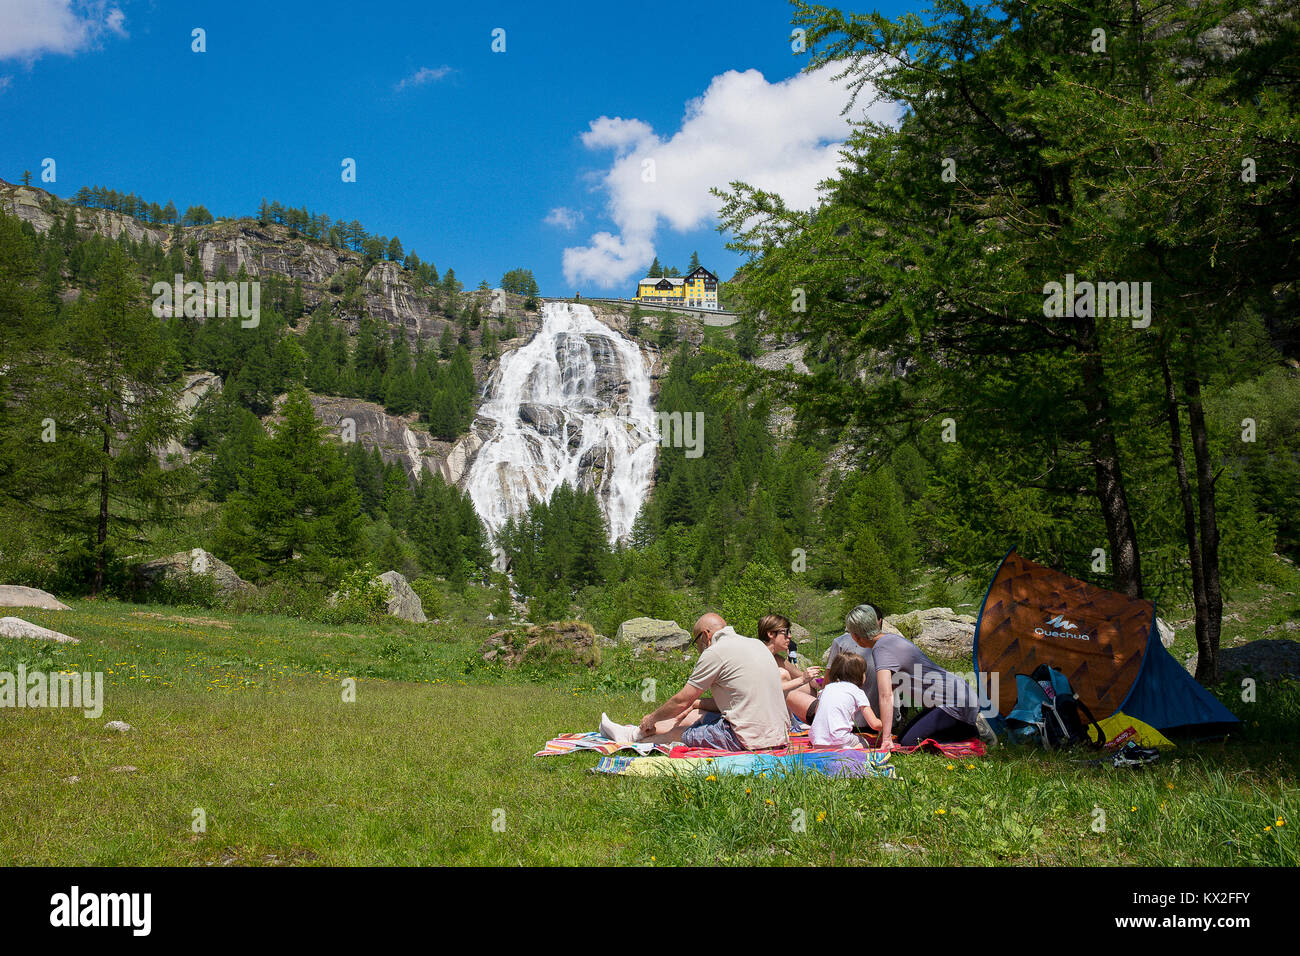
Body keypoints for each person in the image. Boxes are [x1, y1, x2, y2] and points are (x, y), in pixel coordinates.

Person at [597, 612, 790, 751]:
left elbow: (682, 700)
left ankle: (632, 738)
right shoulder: (756, 644)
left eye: (697, 643)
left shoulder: (715, 651)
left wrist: (652, 718)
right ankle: (633, 731)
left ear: (706, 635)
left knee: (682, 732)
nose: (698, 649)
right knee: (699, 714)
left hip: (748, 740)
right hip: (780, 735)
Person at [843, 604, 980, 749]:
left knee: (910, 743)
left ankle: (971, 732)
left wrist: (886, 738)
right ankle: (968, 725)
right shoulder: (890, 640)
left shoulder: (881, 649)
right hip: (957, 695)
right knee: (903, 738)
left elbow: (886, 695)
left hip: (954, 702)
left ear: (856, 636)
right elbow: (893, 685)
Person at [757, 613, 821, 724]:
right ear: (771, 634)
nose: (790, 636)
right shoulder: (758, 656)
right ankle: (792, 722)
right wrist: (802, 680)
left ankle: (814, 714)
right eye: (786, 632)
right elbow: (764, 689)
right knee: (783, 674)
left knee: (807, 685)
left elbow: (802, 676)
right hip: (759, 708)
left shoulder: (777, 658)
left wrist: (822, 681)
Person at [809, 652, 882, 749]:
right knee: (864, 742)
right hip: (839, 739)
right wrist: (885, 725)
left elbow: (816, 711)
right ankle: (848, 751)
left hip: (816, 740)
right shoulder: (856, 691)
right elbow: (874, 724)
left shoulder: (827, 688)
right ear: (859, 675)